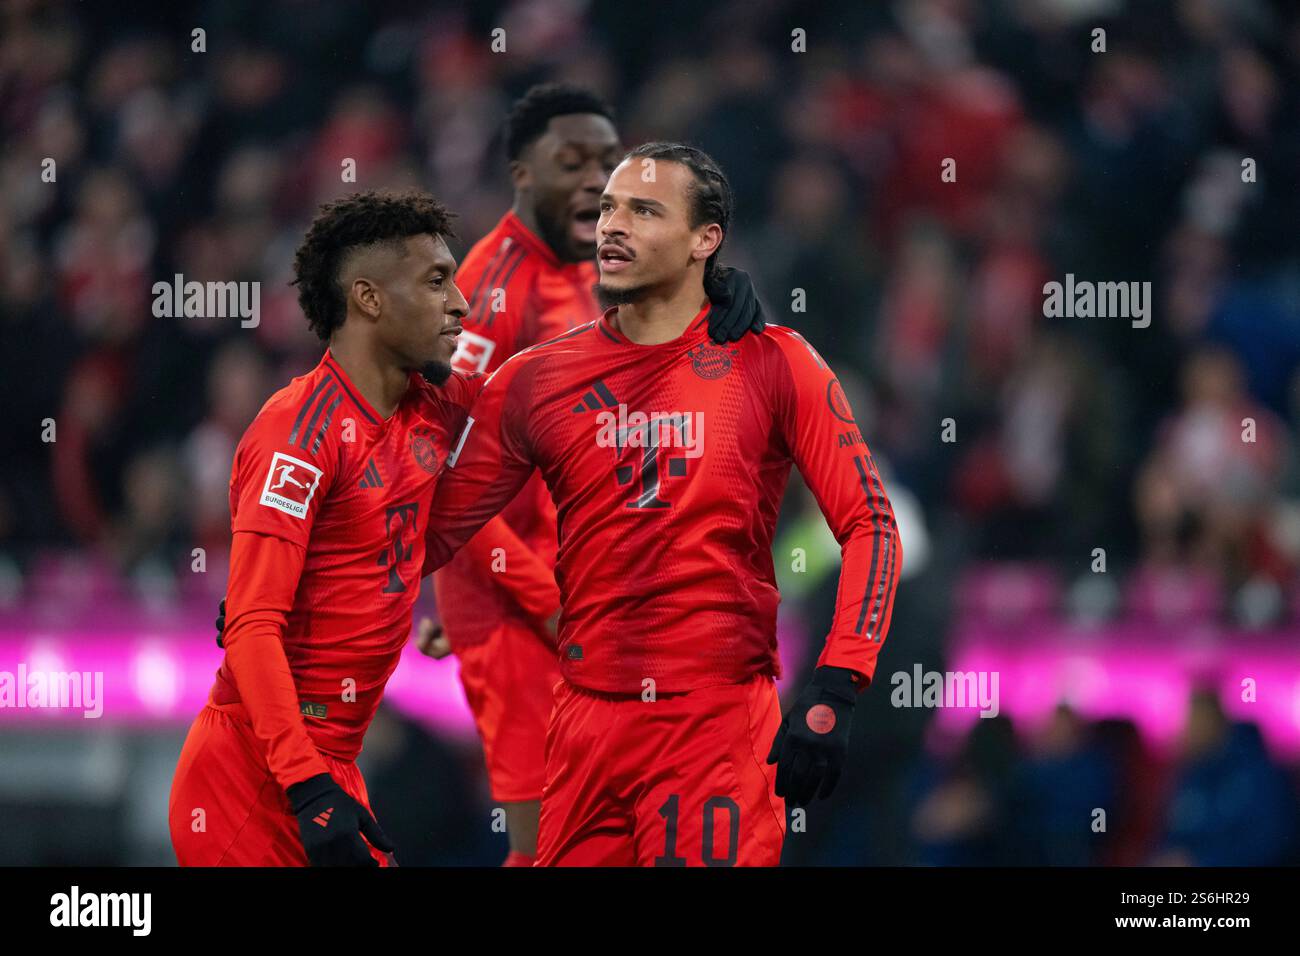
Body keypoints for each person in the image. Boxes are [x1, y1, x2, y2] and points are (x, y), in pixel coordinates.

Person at [422, 143, 901, 866]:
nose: (612, 225)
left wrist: (838, 681)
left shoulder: (775, 363)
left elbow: (871, 526)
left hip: (712, 723)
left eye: (644, 211)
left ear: (705, 240)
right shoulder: (533, 381)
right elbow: (432, 524)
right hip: (583, 721)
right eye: (609, 207)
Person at [415, 83, 763, 866]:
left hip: (584, 598)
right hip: (530, 608)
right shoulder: (497, 287)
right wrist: (533, 603)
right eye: (568, 162)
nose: (592, 179)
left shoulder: (589, 268)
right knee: (546, 844)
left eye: (605, 162)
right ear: (522, 173)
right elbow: (444, 471)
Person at [172, 190, 496, 866]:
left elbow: (545, 380)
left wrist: (683, 313)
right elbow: (253, 626)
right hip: (251, 783)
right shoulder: (298, 432)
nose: (459, 303)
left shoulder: (434, 406)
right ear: (370, 299)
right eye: (437, 280)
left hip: (332, 768)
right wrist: (307, 786)